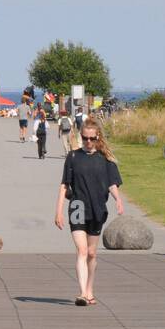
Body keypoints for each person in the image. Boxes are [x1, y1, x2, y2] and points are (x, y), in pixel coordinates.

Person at [54, 119, 124, 305]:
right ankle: (83, 293)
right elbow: (64, 185)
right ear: (81, 136)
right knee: (82, 250)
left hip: (97, 207)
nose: (88, 142)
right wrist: (59, 211)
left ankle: (90, 289)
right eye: (85, 138)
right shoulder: (73, 157)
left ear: (98, 137)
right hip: (77, 206)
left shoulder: (106, 159)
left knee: (92, 253)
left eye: (92, 138)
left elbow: (112, 184)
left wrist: (118, 200)